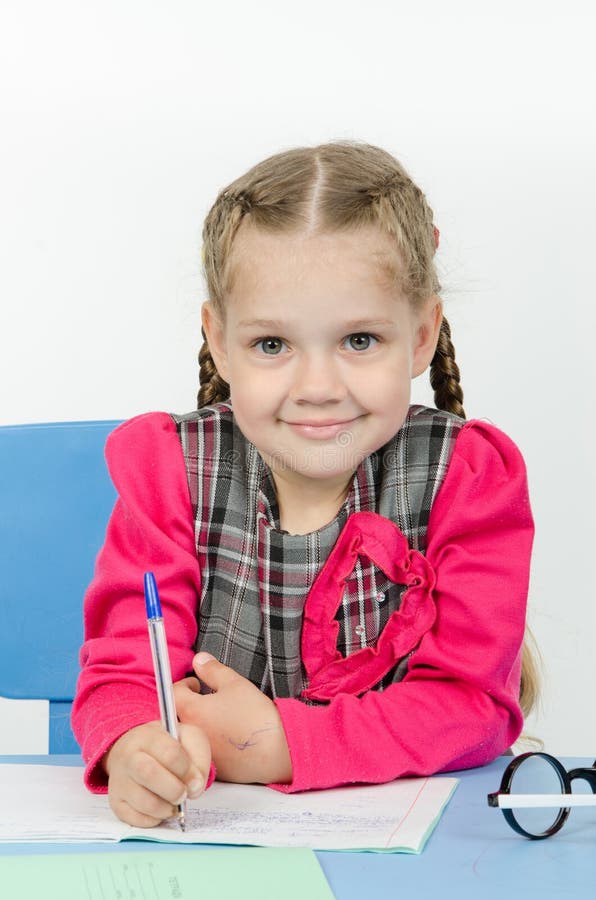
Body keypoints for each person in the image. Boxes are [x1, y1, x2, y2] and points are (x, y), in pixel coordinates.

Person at [72, 140, 538, 828]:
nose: (318, 389)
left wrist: (279, 746)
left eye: (358, 341)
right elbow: (123, 678)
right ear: (221, 340)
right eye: (272, 345)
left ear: (420, 336)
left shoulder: (468, 478)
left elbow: (471, 712)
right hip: (211, 846)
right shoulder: (170, 471)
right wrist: (136, 746)